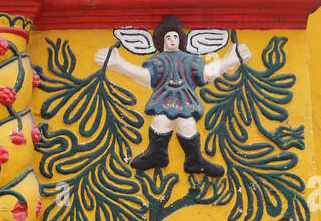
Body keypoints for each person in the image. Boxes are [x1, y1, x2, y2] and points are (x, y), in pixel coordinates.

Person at [95, 15, 251, 177]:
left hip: (185, 101)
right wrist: (120, 65)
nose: (171, 40)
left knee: (187, 125)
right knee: (160, 121)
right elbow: (145, 77)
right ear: (161, 41)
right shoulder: (157, 61)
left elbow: (206, 74)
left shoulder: (190, 60)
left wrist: (231, 60)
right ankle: (157, 155)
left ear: (181, 40)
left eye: (175, 36)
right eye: (168, 37)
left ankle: (194, 160)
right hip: (163, 100)